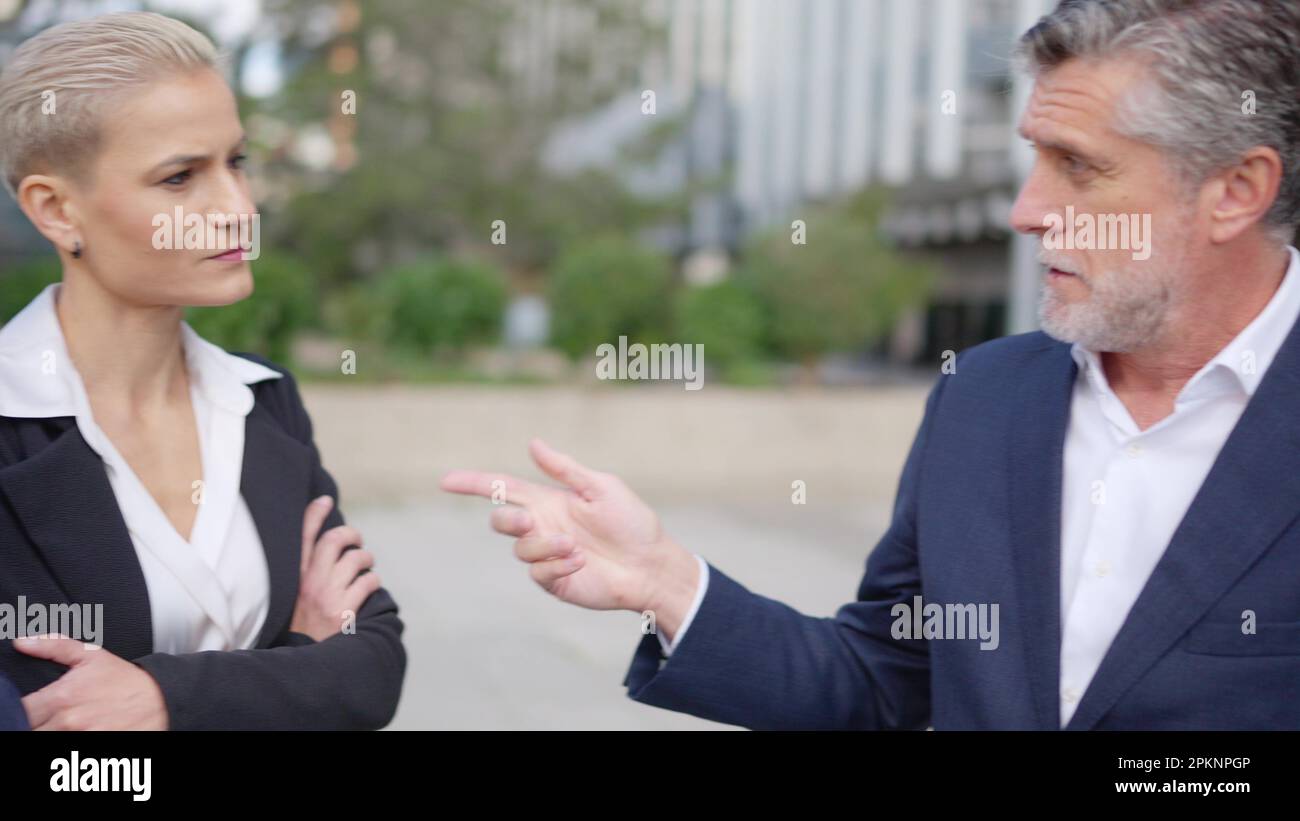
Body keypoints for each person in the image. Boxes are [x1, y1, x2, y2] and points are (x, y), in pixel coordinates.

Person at [444, 0, 1300, 729]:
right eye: (1033, 157)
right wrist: (668, 584)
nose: (1026, 210)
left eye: (1078, 166)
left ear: (1234, 190)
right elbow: (884, 679)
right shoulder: (986, 396)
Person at [0, 12, 405, 729]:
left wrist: (162, 698)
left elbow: (371, 670)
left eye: (238, 163)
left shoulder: (262, 398)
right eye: (181, 177)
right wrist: (297, 657)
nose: (238, 209)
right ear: (57, 209)